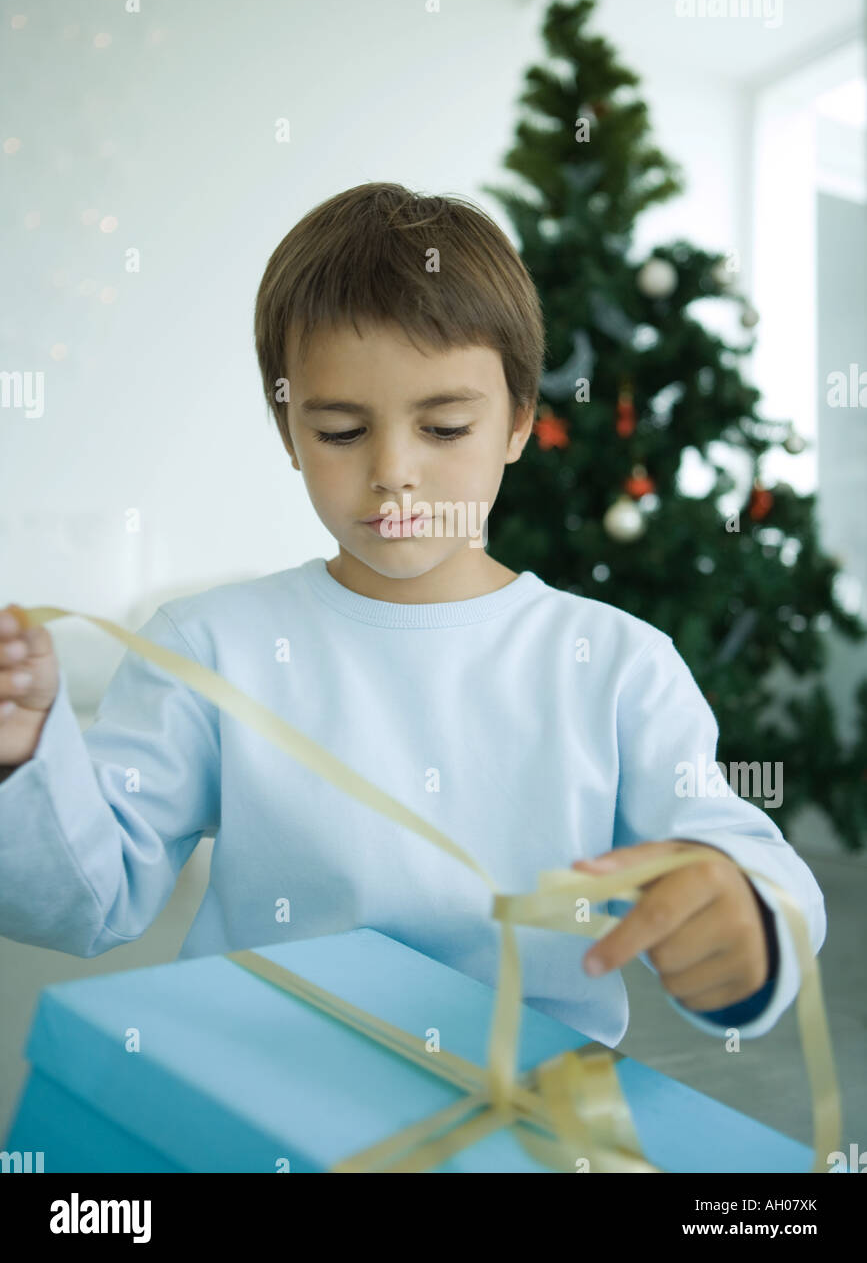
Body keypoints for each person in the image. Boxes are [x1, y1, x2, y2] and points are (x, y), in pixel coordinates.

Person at [0, 182, 823, 1048]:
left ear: (517, 423)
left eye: (443, 427)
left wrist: (752, 922)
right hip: (260, 1091)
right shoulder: (209, 645)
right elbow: (89, 899)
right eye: (342, 433)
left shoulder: (616, 664)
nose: (393, 470)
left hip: (517, 1114)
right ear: (288, 431)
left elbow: (734, 853)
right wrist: (23, 762)